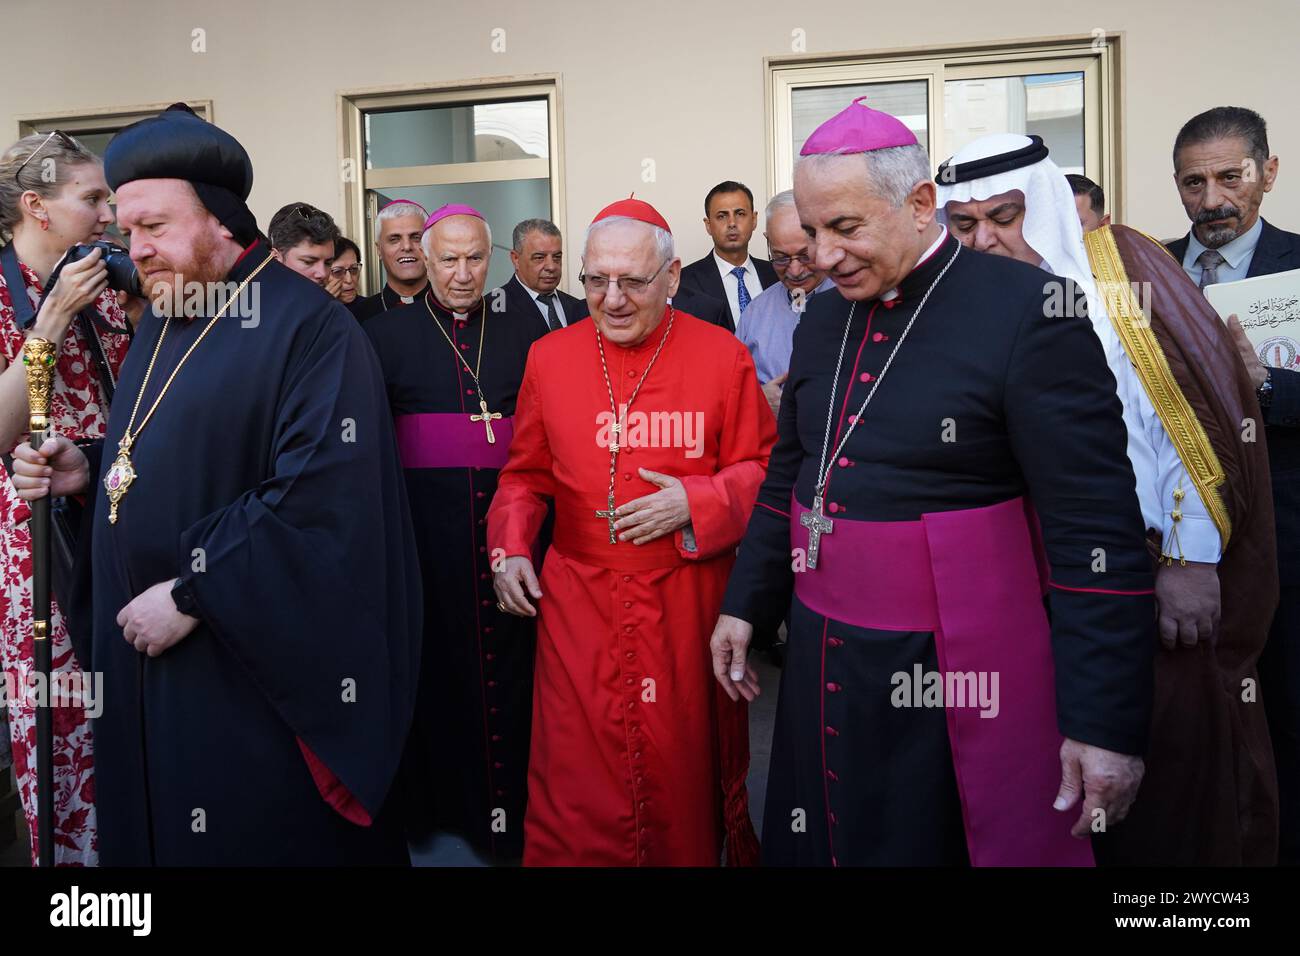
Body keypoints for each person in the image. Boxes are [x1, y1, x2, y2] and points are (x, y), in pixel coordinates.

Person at [713, 98, 1156, 867]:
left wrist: (1105, 723)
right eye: (811, 233)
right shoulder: (822, 320)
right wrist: (746, 603)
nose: (821, 256)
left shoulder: (1029, 313)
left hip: (955, 665)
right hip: (822, 650)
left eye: (844, 229)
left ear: (921, 205)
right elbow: (792, 473)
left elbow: (1095, 533)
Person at [10, 104, 421, 865]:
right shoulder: (170, 313)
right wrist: (90, 471)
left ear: (223, 221)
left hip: (240, 679)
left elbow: (321, 497)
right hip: (145, 673)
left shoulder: (311, 329)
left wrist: (194, 590)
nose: (137, 251)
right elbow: (171, 453)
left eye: (155, 228)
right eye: (127, 232)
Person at [937, 132, 1278, 865]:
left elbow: (1185, 415)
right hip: (1028, 587)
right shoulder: (961, 305)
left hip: (1146, 572)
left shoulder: (1114, 274)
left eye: (1005, 216)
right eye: (964, 226)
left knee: (1160, 776)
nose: (987, 240)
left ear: (1049, 205)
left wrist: (1191, 558)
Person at [488, 197, 774, 866]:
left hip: (683, 602)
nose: (611, 300)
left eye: (633, 282)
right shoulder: (548, 357)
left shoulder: (722, 356)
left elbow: (764, 471)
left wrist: (697, 502)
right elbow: (524, 476)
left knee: (675, 766)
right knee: (576, 775)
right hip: (577, 606)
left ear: (672, 278)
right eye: (595, 280)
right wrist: (508, 547)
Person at [366, 204, 543, 861]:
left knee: (520, 678)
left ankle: (519, 807)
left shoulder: (527, 330)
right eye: (449, 259)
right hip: (427, 542)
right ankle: (442, 813)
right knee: (438, 677)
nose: (462, 274)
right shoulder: (386, 337)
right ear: (424, 260)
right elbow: (370, 454)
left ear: (491, 260)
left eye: (474, 259)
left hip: (518, 540)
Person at [1167, 105, 1300, 864]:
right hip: (1173, 553)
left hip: (1284, 544)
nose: (1211, 198)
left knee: (1283, 722)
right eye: (1194, 181)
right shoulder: (1144, 268)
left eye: (1230, 176)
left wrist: (1264, 389)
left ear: (1268, 173)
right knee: (1188, 732)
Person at [0, 130, 134, 865]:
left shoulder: (106, 295)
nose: (110, 215)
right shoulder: (6, 292)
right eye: (93, 199)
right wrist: (45, 325)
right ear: (36, 207)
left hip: (110, 517)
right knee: (63, 724)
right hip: (35, 544)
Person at [735, 189, 834, 419]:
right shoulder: (755, 313)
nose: (795, 271)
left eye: (805, 255)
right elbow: (729, 394)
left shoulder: (856, 299)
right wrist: (757, 400)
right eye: (781, 258)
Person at [678, 181, 778, 331]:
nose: (732, 223)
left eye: (740, 214)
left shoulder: (777, 274)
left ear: (754, 220)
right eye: (722, 216)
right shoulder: (684, 283)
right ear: (708, 225)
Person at [500, 218, 588, 333]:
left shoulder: (580, 308)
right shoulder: (494, 309)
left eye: (557, 257)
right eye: (539, 258)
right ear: (516, 259)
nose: (551, 267)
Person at [349, 199, 430, 322]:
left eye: (416, 237)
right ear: (379, 250)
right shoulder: (357, 317)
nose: (407, 246)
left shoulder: (454, 308)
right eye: (394, 239)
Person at [267, 201, 342, 294]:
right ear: (276, 259)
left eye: (328, 263)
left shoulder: (333, 304)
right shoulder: (250, 295)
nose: (322, 273)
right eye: (308, 262)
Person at [330, 236, 363, 306]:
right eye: (338, 271)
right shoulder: (311, 312)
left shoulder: (373, 309)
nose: (349, 280)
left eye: (354, 269)